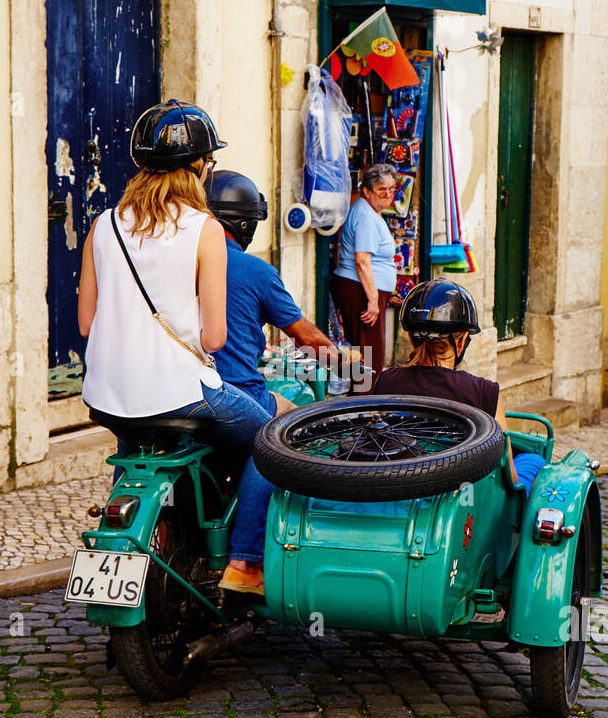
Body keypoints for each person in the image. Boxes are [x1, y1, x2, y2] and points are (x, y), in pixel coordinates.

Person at [77, 99, 270, 597]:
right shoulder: (206, 229)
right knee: (271, 442)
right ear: (201, 167)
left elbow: (85, 323)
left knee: (136, 448)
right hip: (182, 392)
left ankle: (129, 554)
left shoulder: (104, 225)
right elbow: (214, 339)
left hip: (105, 396)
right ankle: (246, 564)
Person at [372, 279, 545, 491]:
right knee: (534, 461)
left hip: (401, 482)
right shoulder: (484, 391)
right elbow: (508, 474)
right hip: (461, 491)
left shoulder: (386, 380)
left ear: (411, 337)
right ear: (462, 341)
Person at [205, 169, 344, 414]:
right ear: (245, 224)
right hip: (236, 395)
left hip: (179, 393)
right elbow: (306, 338)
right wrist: (341, 361)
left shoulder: (174, 261)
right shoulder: (256, 271)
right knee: (297, 418)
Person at [331, 163, 399, 373]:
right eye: (381, 189)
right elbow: (362, 260)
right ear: (368, 191)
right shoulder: (366, 217)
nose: (388, 194)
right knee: (370, 359)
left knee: (366, 355)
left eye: (391, 188)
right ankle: (367, 405)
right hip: (361, 290)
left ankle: (365, 402)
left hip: (362, 288)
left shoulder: (369, 211)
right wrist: (373, 300)